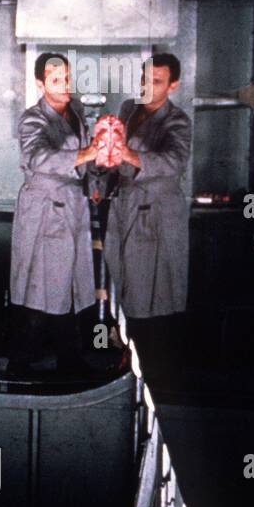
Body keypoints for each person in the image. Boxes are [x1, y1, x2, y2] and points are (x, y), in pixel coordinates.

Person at [7, 52, 102, 374]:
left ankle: (67, 358)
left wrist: (100, 163)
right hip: (46, 208)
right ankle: (20, 362)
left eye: (67, 78)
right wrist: (86, 153)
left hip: (73, 205)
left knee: (66, 286)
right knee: (43, 286)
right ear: (40, 83)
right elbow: (39, 158)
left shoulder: (76, 111)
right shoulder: (33, 119)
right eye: (56, 80)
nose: (65, 85)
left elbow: (87, 161)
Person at [101, 53, 192, 381]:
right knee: (120, 287)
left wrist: (128, 154)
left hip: (155, 215)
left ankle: (154, 374)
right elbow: (114, 155)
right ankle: (123, 363)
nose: (146, 87)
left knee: (152, 296)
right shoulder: (129, 109)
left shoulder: (177, 121)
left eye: (156, 82)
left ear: (173, 85)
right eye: (144, 79)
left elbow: (173, 163)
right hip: (124, 206)